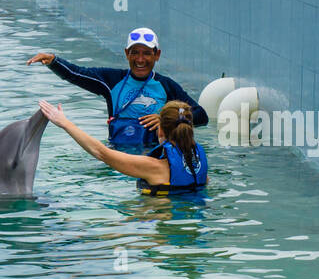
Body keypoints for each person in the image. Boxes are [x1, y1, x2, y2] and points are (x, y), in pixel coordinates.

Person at [26, 26, 209, 151]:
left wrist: (167, 120)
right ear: (126, 54)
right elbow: (77, 74)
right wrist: (53, 62)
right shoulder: (112, 81)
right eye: (134, 52)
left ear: (157, 55)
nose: (140, 59)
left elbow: (201, 115)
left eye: (146, 53)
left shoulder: (166, 86)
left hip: (154, 157)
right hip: (117, 155)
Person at [39, 97, 209, 194]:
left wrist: (65, 123)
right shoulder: (200, 158)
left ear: (160, 130)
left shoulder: (154, 167)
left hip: (159, 230)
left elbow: (101, 153)